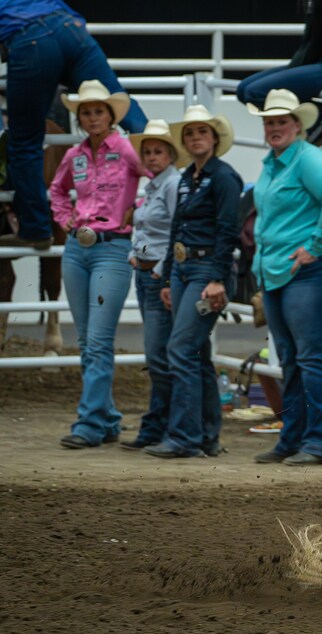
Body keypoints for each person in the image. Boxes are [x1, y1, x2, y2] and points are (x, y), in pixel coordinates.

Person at [246, 90, 322, 466]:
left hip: (316, 266)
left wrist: (315, 243)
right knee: (293, 357)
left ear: (297, 125)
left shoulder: (307, 158)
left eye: (281, 121)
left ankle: (319, 441)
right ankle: (294, 437)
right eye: (269, 122)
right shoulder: (276, 162)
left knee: (309, 356)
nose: (274, 128)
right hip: (285, 270)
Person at [0, 1, 149, 250]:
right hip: (71, 28)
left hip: (30, 40)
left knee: (24, 141)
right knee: (117, 99)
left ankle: (36, 228)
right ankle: (167, 169)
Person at [47, 80, 144, 449]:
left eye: (97, 111)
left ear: (110, 115)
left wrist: (142, 215)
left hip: (112, 247)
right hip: (78, 247)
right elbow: (57, 189)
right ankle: (108, 419)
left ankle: (89, 422)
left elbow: (155, 175)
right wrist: (64, 217)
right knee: (89, 341)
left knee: (98, 341)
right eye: (86, 112)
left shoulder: (128, 150)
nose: (91, 118)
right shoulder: (75, 156)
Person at [143, 106, 243, 459]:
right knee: (195, 353)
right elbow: (176, 229)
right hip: (187, 269)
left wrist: (217, 277)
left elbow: (228, 229)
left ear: (214, 139)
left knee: (181, 349)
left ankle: (184, 437)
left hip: (206, 270)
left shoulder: (224, 178)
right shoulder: (189, 177)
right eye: (189, 133)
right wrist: (169, 274)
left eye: (201, 132)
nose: (195, 137)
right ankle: (204, 436)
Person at [120, 120, 187, 451]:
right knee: (159, 354)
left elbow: (178, 230)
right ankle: (162, 425)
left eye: (158, 151)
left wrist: (161, 268)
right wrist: (136, 253)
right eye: (147, 152)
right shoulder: (155, 186)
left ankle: (160, 427)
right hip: (148, 273)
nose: (152, 156)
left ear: (171, 154)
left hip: (158, 275)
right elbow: (147, 229)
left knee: (159, 355)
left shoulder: (172, 185)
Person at [235, 0, 322, 145]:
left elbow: (315, 44)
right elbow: (311, 44)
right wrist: (293, 71)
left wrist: (293, 71)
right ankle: (310, 118)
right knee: (243, 90)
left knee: (255, 93)